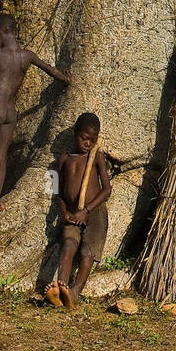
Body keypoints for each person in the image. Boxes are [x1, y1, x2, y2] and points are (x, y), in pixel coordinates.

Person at [0, 13, 70, 223]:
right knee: (0, 158)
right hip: (10, 113)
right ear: (16, 33)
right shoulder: (28, 56)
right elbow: (51, 71)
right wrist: (66, 78)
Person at [46, 113, 112, 308]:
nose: (87, 143)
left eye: (92, 140)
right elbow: (57, 191)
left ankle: (75, 292)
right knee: (68, 246)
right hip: (72, 212)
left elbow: (107, 189)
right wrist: (64, 211)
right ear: (75, 133)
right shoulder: (63, 159)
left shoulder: (96, 157)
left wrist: (87, 209)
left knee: (86, 252)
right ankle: (60, 287)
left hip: (94, 212)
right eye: (84, 138)